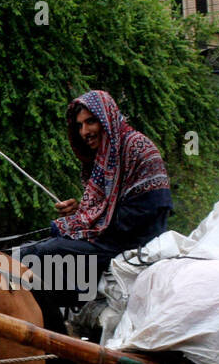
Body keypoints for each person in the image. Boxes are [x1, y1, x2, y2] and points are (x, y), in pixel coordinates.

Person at [18, 90, 172, 319]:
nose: (85, 132)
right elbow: (106, 206)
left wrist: (85, 222)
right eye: (80, 125)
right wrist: (81, 212)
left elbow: (148, 212)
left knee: (44, 253)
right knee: (24, 251)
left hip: (134, 243)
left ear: (106, 119)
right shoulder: (107, 156)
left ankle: (57, 327)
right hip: (109, 237)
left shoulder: (138, 148)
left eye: (90, 122)